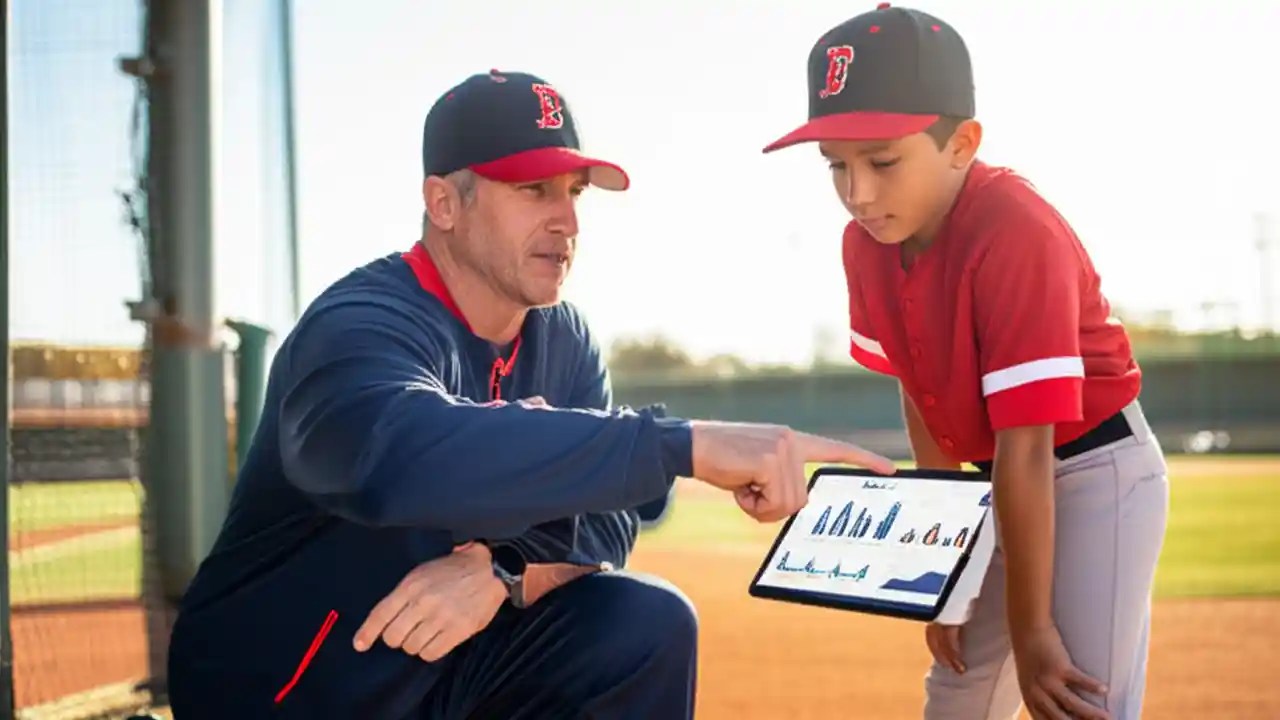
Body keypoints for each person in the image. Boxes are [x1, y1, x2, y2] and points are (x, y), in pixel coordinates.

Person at [165, 68, 896, 720]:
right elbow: (391, 463)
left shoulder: (564, 338)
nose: (568, 221)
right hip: (290, 686)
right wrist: (684, 444)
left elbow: (609, 526)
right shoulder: (358, 324)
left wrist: (504, 574)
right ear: (444, 202)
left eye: (574, 193)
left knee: (642, 623)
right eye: (533, 190)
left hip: (446, 674)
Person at [761, 5, 1169, 720]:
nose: (858, 193)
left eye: (883, 161)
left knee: (1075, 699)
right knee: (958, 693)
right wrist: (947, 572)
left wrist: (1033, 625)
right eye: (837, 167)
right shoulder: (866, 244)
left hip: (1093, 472)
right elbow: (921, 398)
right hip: (998, 482)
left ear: (962, 143)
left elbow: (1029, 442)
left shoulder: (1016, 229)